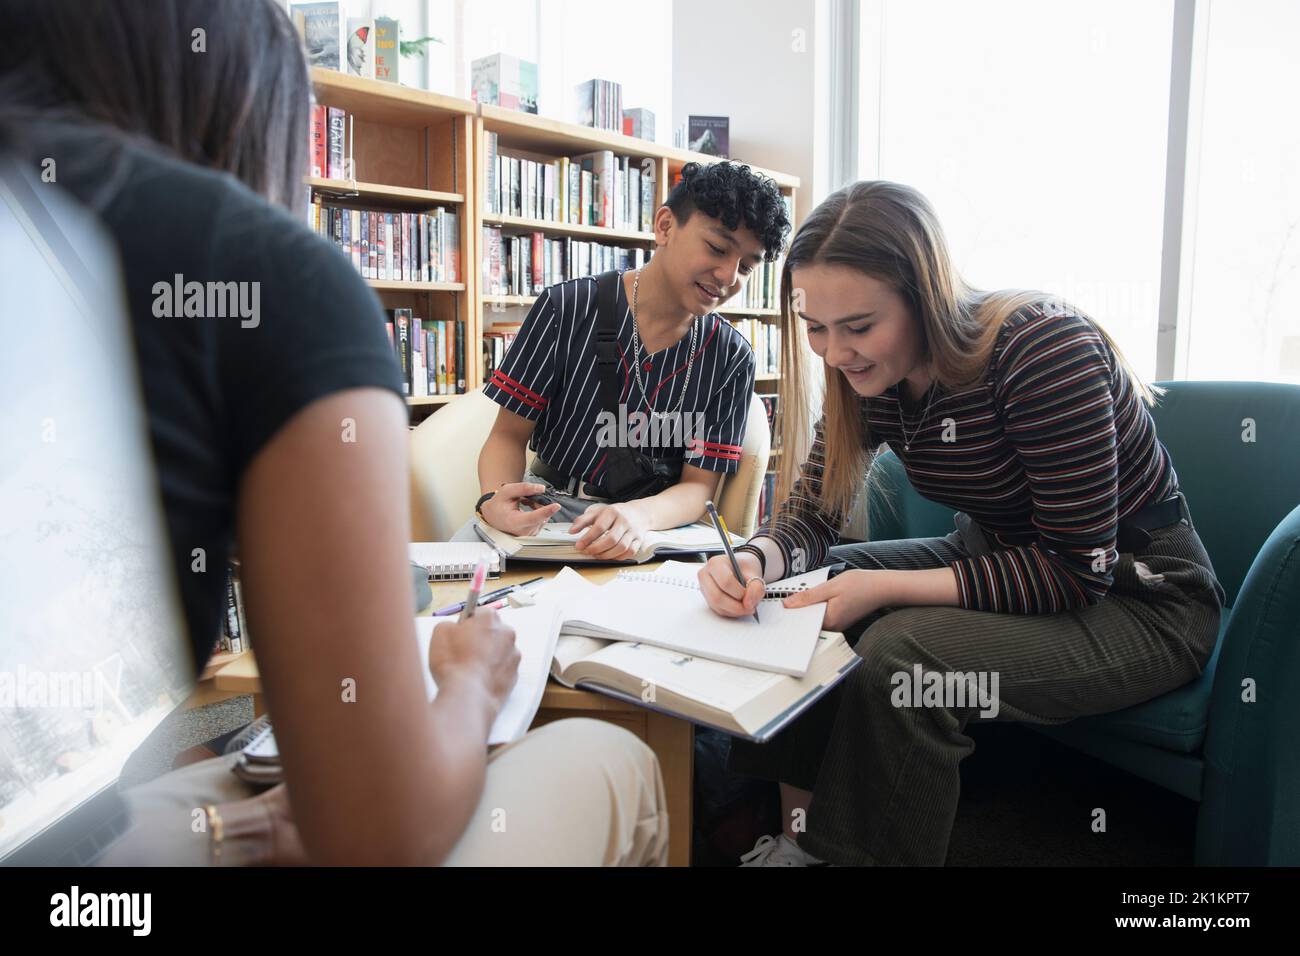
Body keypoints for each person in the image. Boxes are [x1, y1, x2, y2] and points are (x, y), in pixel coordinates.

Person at [0, 0, 667, 866]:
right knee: (615, 759)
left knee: (240, 787)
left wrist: (254, 823)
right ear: (247, 112)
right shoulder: (255, 267)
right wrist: (469, 680)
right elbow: (383, 835)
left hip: (62, 834)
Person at [698, 181, 1225, 866]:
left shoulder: (1043, 348)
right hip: (997, 557)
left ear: (926, 294)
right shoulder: (871, 377)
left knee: (903, 652)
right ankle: (801, 840)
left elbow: (1075, 570)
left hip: (1142, 598)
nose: (835, 352)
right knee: (808, 586)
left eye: (859, 327)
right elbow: (813, 511)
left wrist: (886, 592)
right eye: (816, 328)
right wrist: (759, 558)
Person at [476, 161, 791, 560]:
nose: (728, 276)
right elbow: (507, 435)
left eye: (746, 266)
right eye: (717, 248)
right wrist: (494, 498)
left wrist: (636, 516)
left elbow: (698, 487)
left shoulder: (731, 357)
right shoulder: (566, 309)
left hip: (652, 528)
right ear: (665, 226)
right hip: (548, 513)